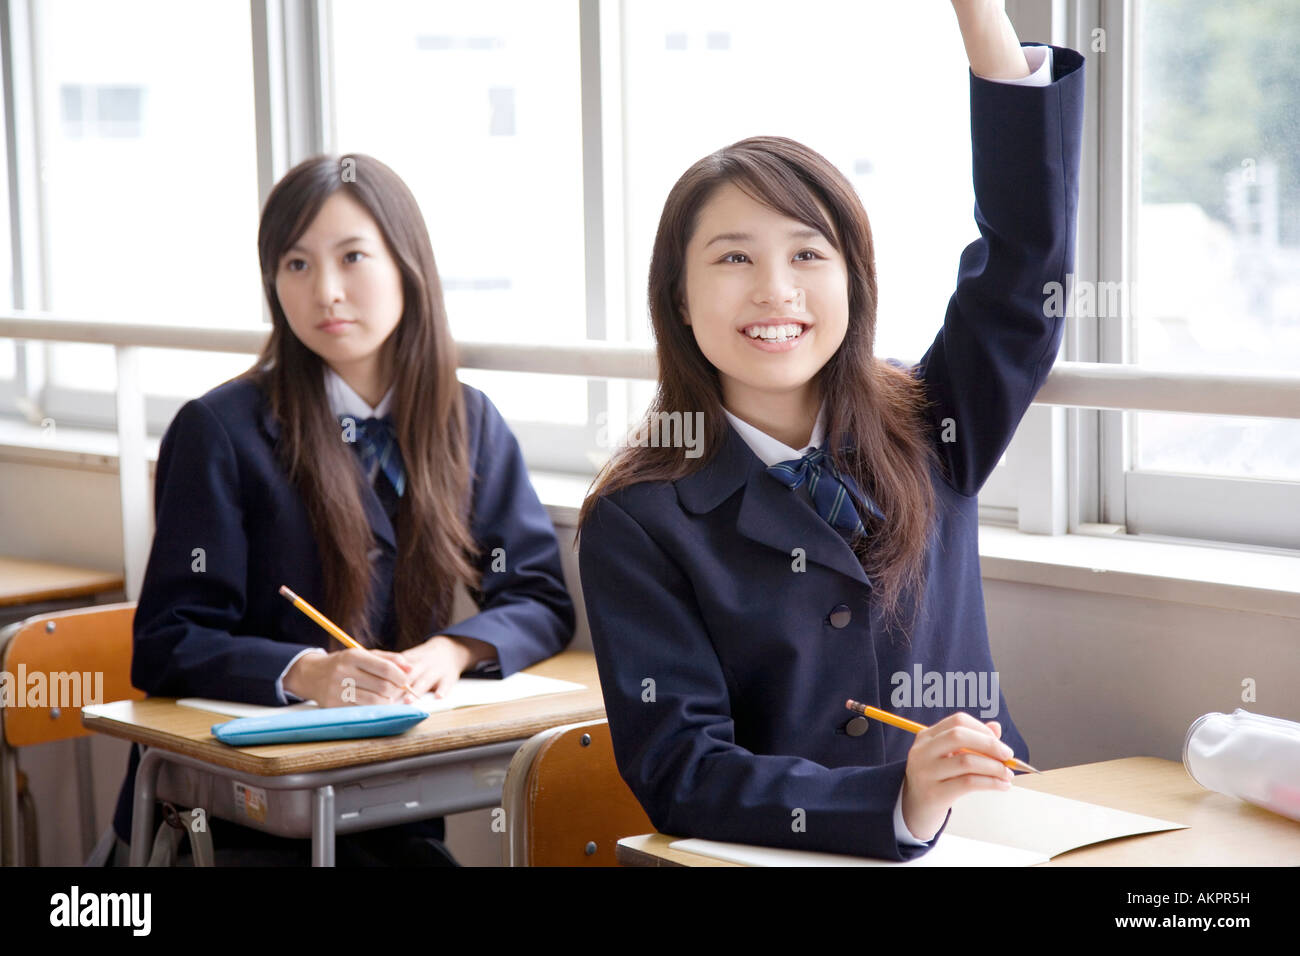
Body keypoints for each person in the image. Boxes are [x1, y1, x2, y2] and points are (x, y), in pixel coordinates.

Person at [577, 1, 1084, 860]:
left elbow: (1025, 257)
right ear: (679, 299)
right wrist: (898, 798)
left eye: (809, 255)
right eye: (734, 258)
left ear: (856, 283)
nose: (776, 290)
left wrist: (980, 19)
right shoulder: (639, 518)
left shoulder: (936, 424)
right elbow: (682, 769)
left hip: (992, 841)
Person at [110, 153, 575, 865]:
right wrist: (305, 671)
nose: (326, 291)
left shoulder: (466, 420)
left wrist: (451, 651)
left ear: (406, 265)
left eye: (352, 256)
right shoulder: (222, 429)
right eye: (296, 265)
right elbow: (169, 640)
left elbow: (538, 595)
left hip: (387, 803)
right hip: (239, 818)